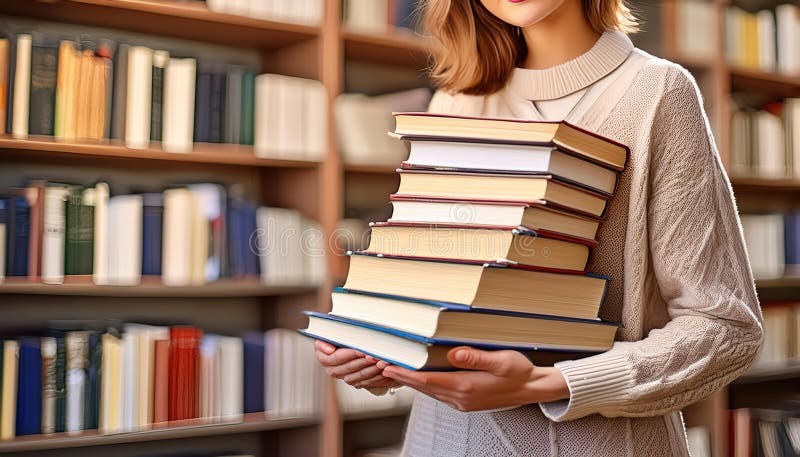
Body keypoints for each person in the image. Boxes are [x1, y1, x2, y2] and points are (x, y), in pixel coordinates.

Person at [315, 0, 764, 455]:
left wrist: (550, 383)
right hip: (442, 441)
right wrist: (382, 351)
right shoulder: (457, 98)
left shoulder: (658, 93)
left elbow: (724, 327)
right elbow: (437, 296)